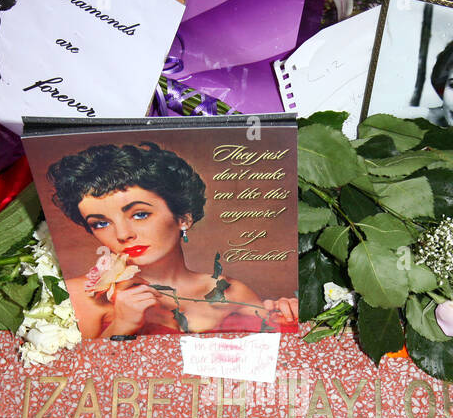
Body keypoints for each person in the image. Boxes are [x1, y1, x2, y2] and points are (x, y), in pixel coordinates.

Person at [45, 142, 298, 338]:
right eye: (101, 223)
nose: (122, 234)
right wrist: (121, 326)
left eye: (140, 214)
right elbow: (77, 386)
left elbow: (273, 362)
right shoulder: (82, 295)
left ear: (183, 218)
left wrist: (287, 314)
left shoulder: (231, 291)